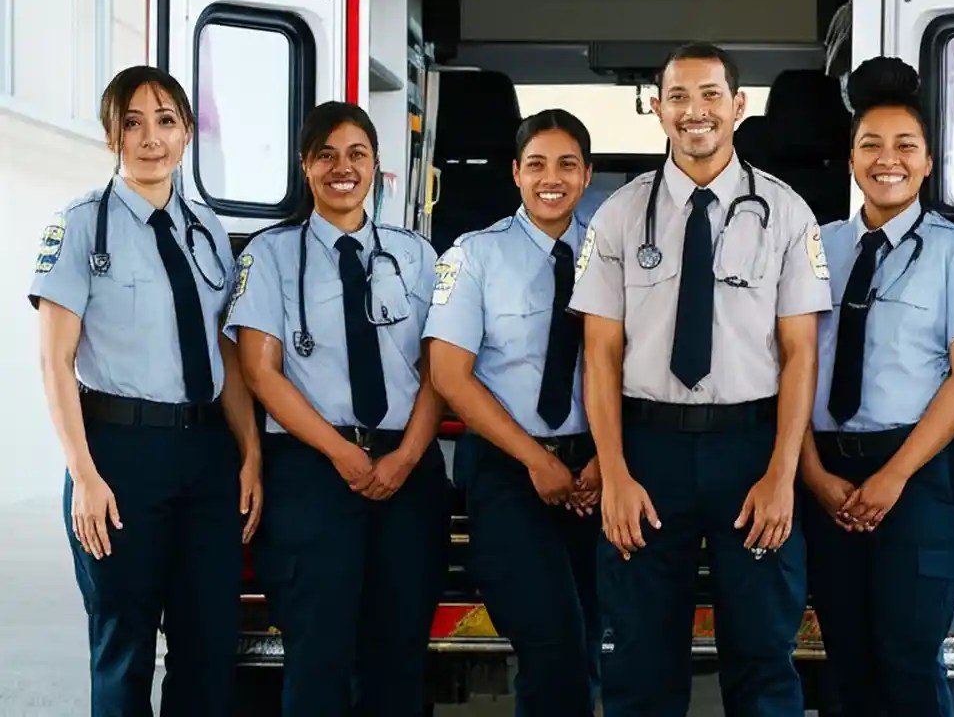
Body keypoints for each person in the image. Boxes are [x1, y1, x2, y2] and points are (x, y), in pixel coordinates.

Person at [569, 42, 832, 716]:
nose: (696, 112)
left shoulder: (788, 213)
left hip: (751, 447)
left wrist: (782, 475)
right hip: (647, 452)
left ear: (739, 106)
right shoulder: (619, 216)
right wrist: (615, 473)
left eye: (711, 95)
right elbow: (599, 353)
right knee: (640, 659)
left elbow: (801, 353)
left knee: (764, 655)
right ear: (657, 110)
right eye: (679, 98)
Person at [29, 65, 262, 716]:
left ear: (187, 132)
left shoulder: (207, 230)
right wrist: (85, 475)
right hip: (119, 457)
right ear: (112, 136)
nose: (150, 137)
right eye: (132, 122)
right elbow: (54, 361)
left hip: (208, 457)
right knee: (124, 649)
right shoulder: (80, 226)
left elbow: (226, 351)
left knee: (208, 649)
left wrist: (249, 453)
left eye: (165, 120)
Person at [223, 101, 450, 717]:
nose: (342, 168)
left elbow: (441, 370)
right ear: (305, 166)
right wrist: (341, 451)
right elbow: (260, 372)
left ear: (379, 165)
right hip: (312, 475)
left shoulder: (420, 257)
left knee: (398, 658)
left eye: (357, 154)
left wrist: (406, 455)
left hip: (408, 474)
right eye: (326, 154)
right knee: (318, 657)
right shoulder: (268, 256)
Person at [800, 56, 954, 715]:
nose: (887, 159)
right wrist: (811, 474)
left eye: (905, 146)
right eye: (871, 146)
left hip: (915, 475)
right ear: (852, 160)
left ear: (927, 163)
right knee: (845, 664)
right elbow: (788, 368)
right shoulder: (813, 249)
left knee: (908, 658)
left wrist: (894, 477)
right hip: (827, 475)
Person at [425, 108, 602, 717]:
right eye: (536, 165)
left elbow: (634, 368)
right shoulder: (472, 256)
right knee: (551, 643)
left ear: (586, 176)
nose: (551, 178)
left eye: (567, 165)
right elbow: (450, 375)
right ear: (515, 174)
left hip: (597, 478)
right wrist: (536, 461)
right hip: (507, 472)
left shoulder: (618, 259)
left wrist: (606, 460)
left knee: (586, 648)